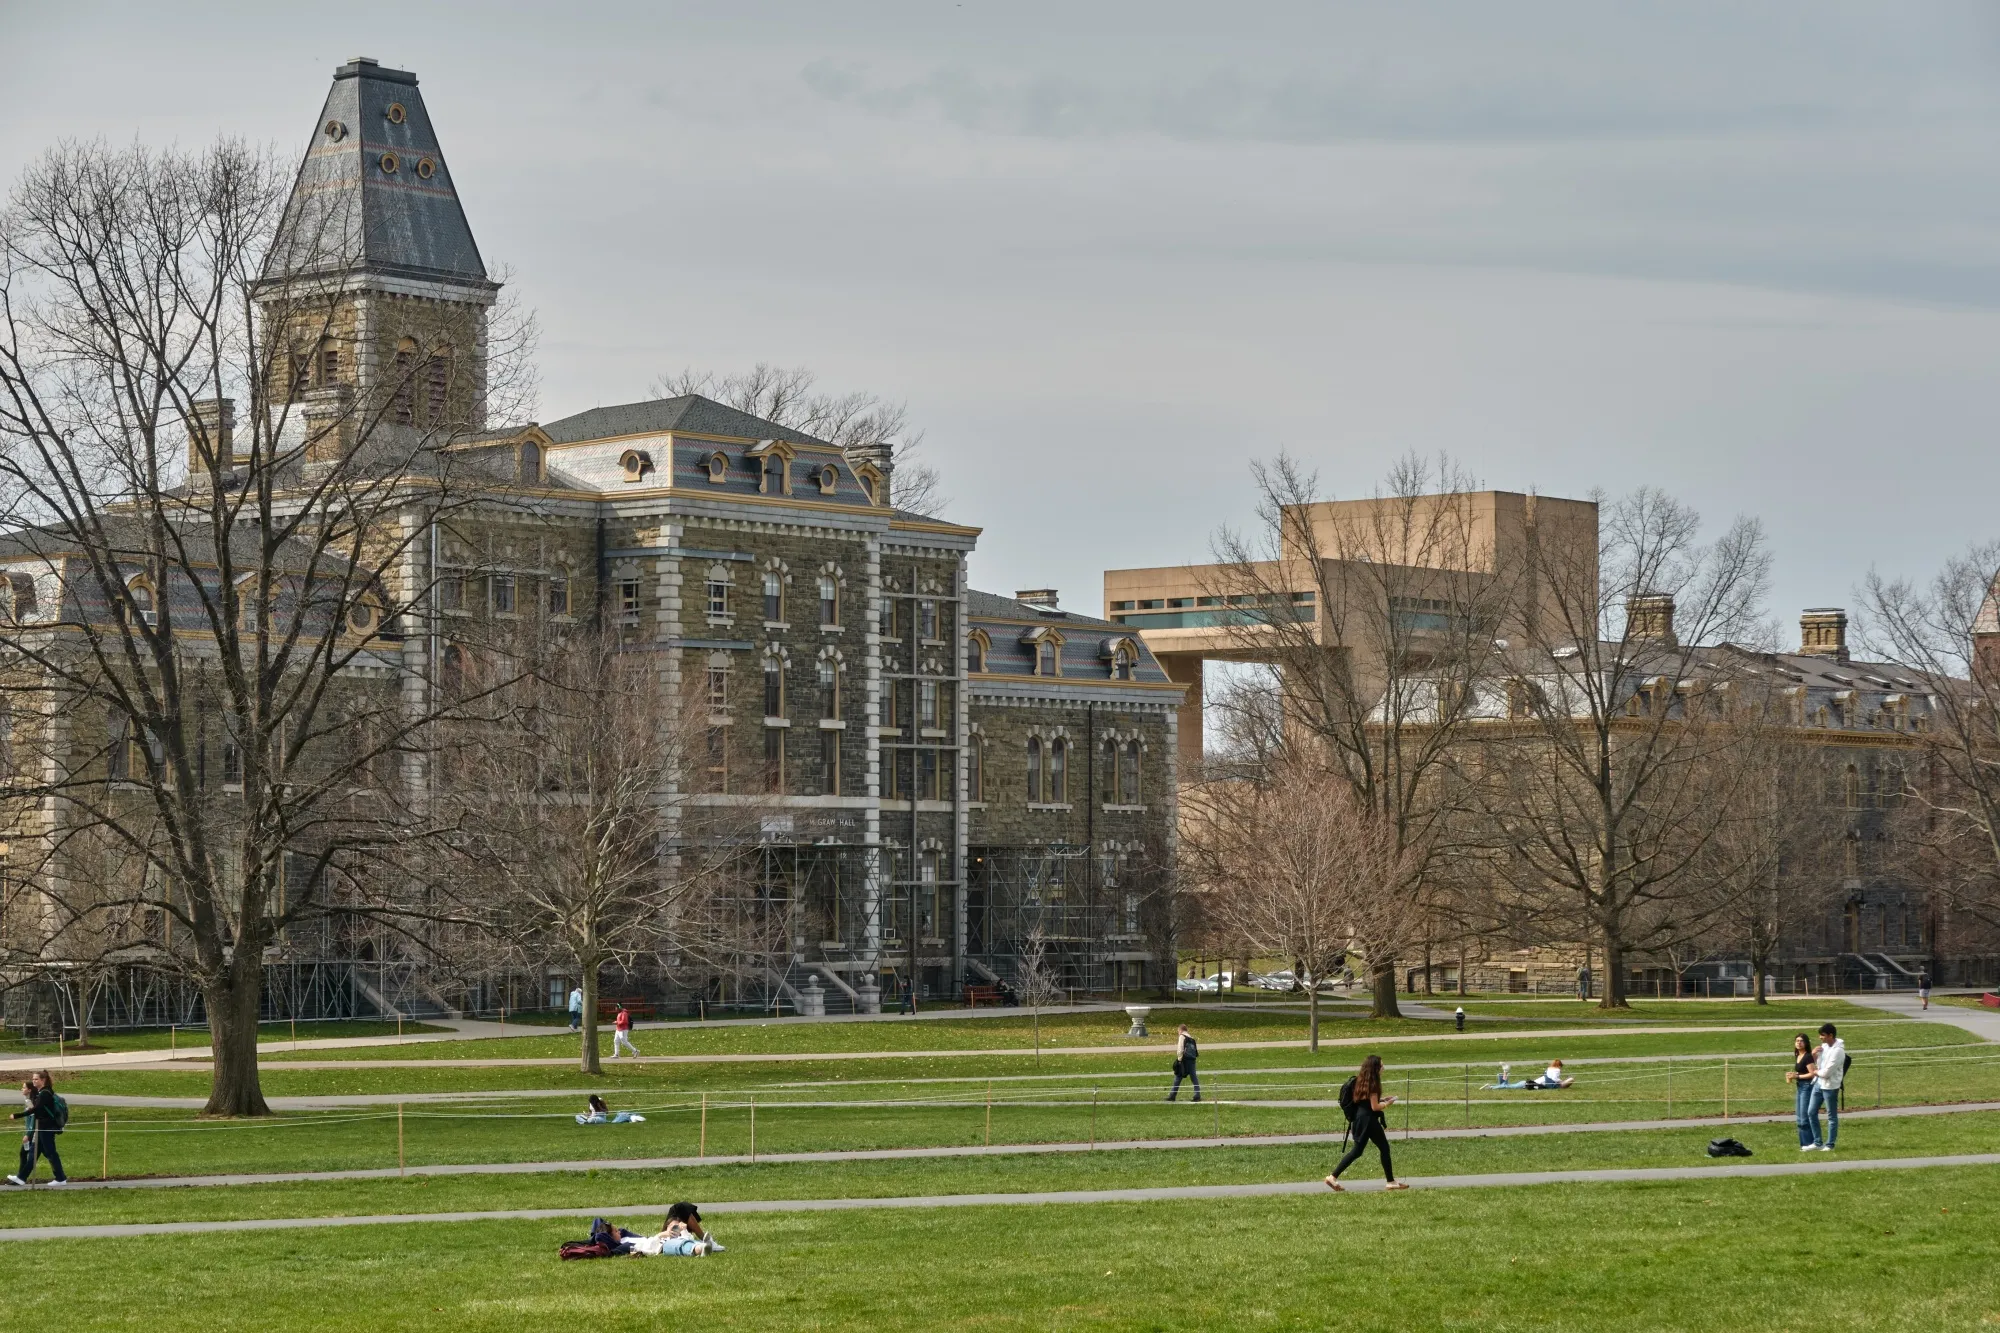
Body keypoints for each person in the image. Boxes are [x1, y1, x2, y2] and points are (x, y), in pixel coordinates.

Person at [1326, 1054, 1406, 1191]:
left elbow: (1366, 1103)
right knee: (1384, 1148)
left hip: (1359, 1119)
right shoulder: (1373, 1084)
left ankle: (1332, 1177)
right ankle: (1391, 1182)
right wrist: (1387, 1103)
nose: (1383, 1068)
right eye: (1381, 1065)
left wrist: (1382, 1099)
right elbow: (1374, 1107)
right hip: (1369, 1121)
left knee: (1357, 1151)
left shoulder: (1360, 1081)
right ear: (1375, 1068)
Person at [7, 1070, 66, 1187]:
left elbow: (36, 1109)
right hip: (42, 1127)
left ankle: (60, 1178)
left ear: (43, 1080)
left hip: (46, 1127)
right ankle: (21, 1177)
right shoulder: (42, 1092)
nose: (33, 1081)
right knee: (34, 1153)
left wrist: (17, 1115)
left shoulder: (45, 1093)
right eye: (33, 1079)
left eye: (36, 1079)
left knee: (51, 1153)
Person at [623, 1201, 724, 1256]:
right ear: (667, 1227)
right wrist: (662, 1235)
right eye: (673, 1226)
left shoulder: (672, 1235)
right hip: (669, 1243)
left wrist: (683, 1230)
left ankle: (706, 1244)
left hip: (677, 1240)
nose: (676, 1227)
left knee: (681, 1208)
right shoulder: (663, 1240)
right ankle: (703, 1247)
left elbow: (687, 1238)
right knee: (683, 1245)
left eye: (676, 1226)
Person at [1807, 1022, 1846, 1151]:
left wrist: (1815, 1072)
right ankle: (1817, 1142)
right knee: (1811, 1112)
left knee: (1831, 1116)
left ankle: (1830, 1144)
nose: (1820, 1038)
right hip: (1818, 1084)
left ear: (1830, 1035)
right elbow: (1816, 1063)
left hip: (1830, 1086)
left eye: (1822, 1035)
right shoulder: (1824, 1047)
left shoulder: (1838, 1051)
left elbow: (1826, 1072)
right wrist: (1813, 1054)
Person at [1784, 1033, 1818, 1151]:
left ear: (1806, 1043)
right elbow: (1803, 1072)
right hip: (1800, 1087)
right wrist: (1795, 1075)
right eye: (1797, 1041)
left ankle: (1811, 1144)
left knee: (1804, 1118)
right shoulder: (1798, 1055)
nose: (1798, 1043)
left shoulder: (1807, 1056)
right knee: (1799, 1118)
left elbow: (1813, 1074)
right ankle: (1804, 1145)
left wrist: (1797, 1077)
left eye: (1801, 1041)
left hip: (1807, 1087)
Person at [1167, 1023, 1201, 1102]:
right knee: (1194, 1077)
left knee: (1178, 1076)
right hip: (1192, 1059)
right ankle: (1197, 1095)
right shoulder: (1191, 1038)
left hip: (1184, 1060)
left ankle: (1172, 1095)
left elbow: (1180, 1049)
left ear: (1180, 1030)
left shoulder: (1182, 1037)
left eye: (1178, 1031)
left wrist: (1179, 1060)